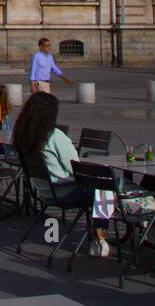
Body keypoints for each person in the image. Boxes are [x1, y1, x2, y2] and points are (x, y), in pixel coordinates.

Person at [11, 91, 109, 256]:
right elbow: (75, 167)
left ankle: (100, 235)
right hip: (65, 191)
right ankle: (99, 238)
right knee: (105, 190)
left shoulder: (23, 137)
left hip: (44, 191)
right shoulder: (54, 136)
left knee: (104, 189)